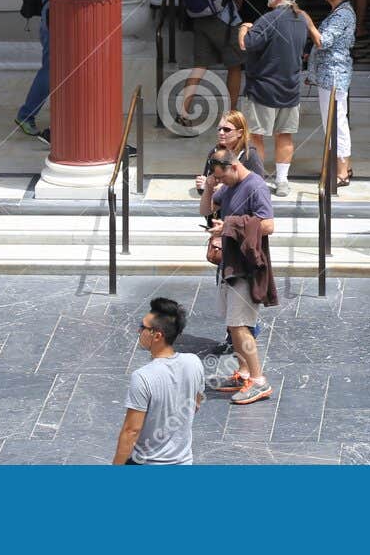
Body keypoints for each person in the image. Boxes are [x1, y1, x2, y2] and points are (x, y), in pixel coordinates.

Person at [199, 148, 277, 406]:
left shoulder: (256, 187)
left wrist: (229, 226)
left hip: (246, 266)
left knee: (240, 325)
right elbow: (206, 209)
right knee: (234, 325)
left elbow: (268, 225)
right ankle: (244, 373)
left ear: (233, 166)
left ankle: (258, 380)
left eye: (222, 177)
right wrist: (209, 187)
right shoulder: (228, 185)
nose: (221, 182)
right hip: (230, 264)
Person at [238, 0, 308, 198]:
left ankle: (256, 181)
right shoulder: (301, 19)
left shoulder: (268, 19)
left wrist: (244, 27)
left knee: (255, 136)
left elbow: (246, 44)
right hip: (290, 88)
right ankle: (282, 181)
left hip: (263, 88)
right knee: (285, 135)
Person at [113, 297, 204, 465]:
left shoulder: (142, 377)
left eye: (143, 327)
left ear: (157, 335)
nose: (138, 331)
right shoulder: (194, 362)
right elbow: (196, 404)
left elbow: (131, 431)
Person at [176, 0, 248, 126]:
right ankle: (231, 113)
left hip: (199, 18)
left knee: (200, 66)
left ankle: (183, 112)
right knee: (235, 65)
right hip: (224, 20)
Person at [299, 0, 357, 187]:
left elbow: (323, 41)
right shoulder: (339, 12)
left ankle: (342, 170)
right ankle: (341, 166)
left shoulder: (342, 15)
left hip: (333, 76)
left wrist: (307, 21)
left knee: (335, 122)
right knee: (334, 121)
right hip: (328, 75)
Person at [14, 0, 52, 145]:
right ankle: (26, 115)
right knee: (51, 71)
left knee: (54, 70)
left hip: (53, 18)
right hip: (54, 19)